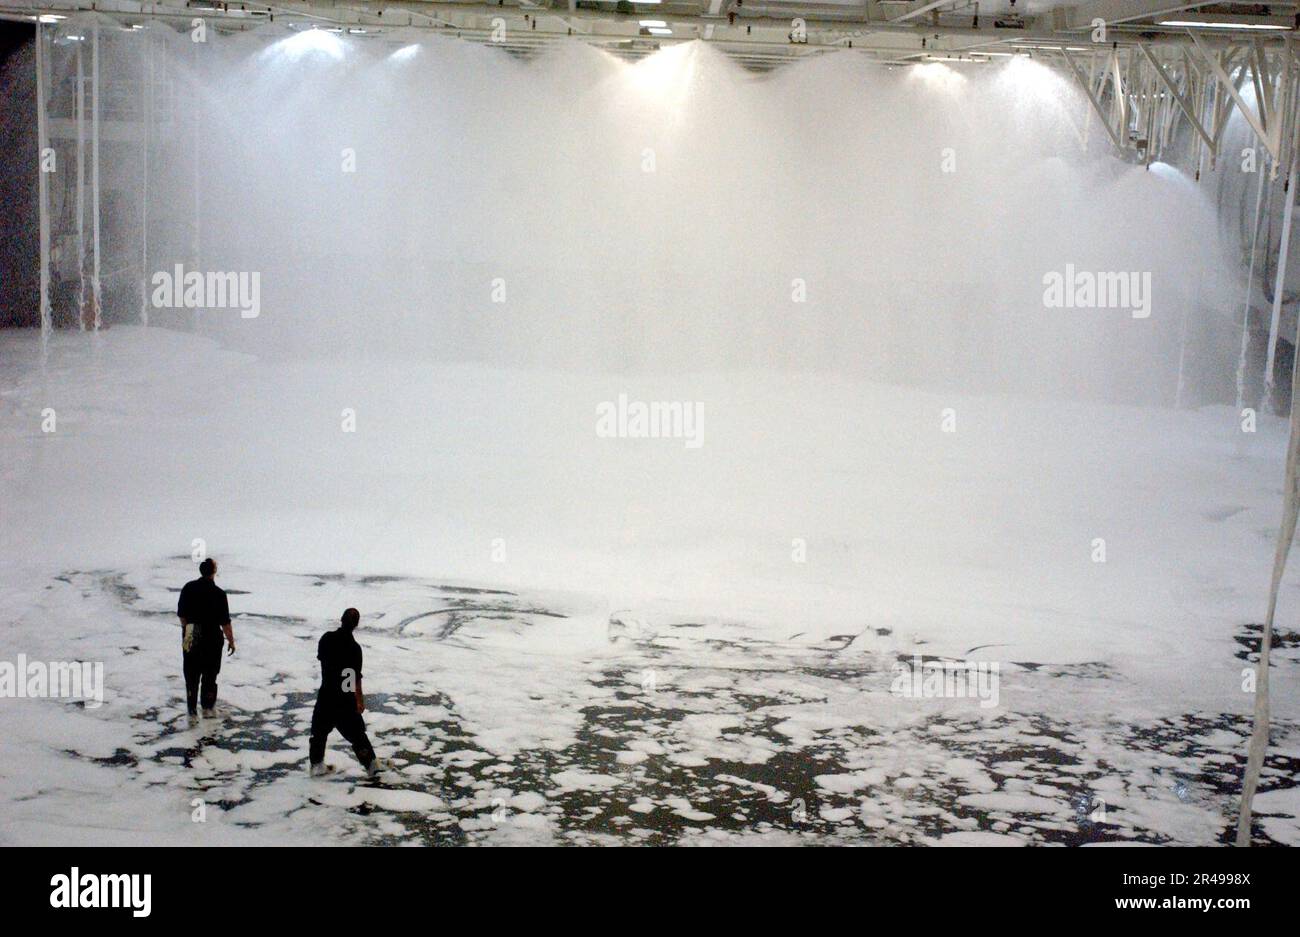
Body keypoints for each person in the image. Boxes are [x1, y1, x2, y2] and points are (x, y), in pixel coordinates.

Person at [309, 608, 387, 778]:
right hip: (345, 697)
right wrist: (359, 700)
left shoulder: (326, 639)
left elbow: (322, 660)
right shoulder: (355, 649)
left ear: (341, 619)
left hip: (327, 694)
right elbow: (354, 678)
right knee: (357, 735)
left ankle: (317, 766)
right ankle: (371, 765)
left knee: (319, 732)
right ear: (356, 625)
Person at [177, 557, 236, 720]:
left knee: (191, 674)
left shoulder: (188, 588)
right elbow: (225, 623)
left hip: (192, 633)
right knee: (210, 674)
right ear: (214, 572)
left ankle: (191, 709)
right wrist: (231, 641)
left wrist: (188, 630)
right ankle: (208, 710)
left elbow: (181, 615)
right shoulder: (219, 594)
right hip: (211, 635)